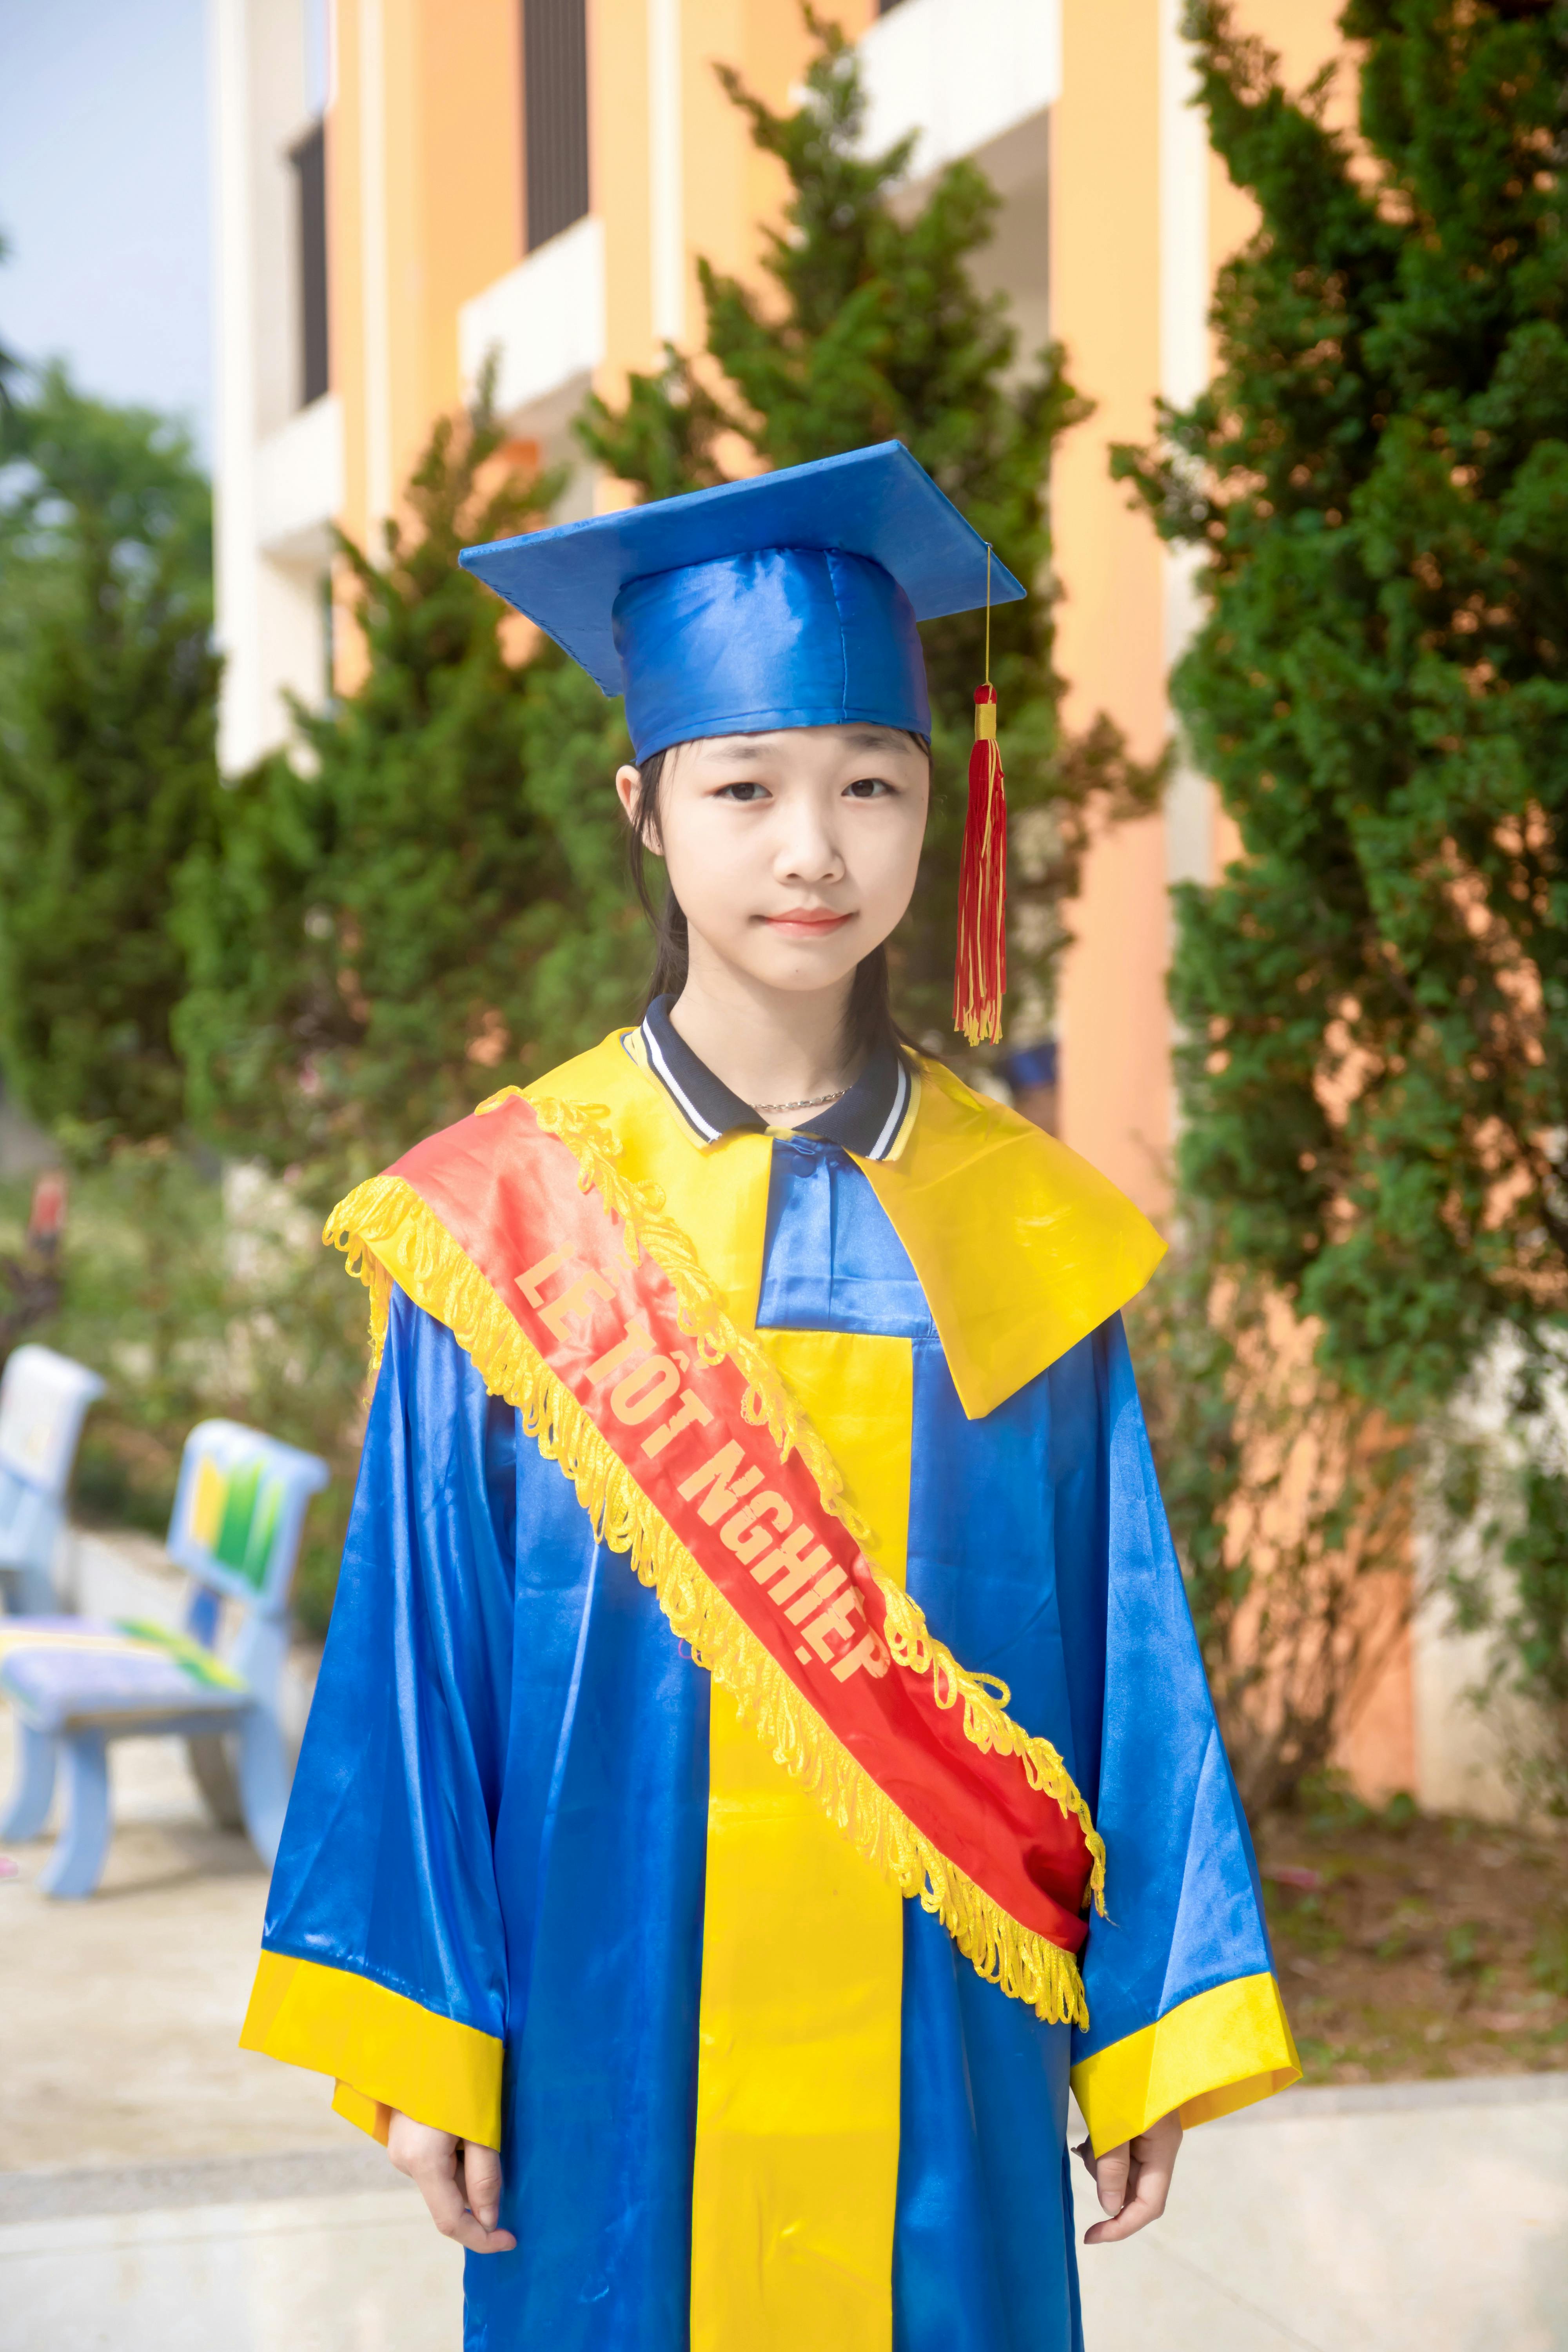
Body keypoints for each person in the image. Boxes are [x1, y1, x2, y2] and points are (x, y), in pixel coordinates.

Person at [240, 442, 1298, 2352]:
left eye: (870, 788)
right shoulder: (502, 1220)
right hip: (604, 2007)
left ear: (934, 813)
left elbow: (1126, 1648)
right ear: (646, 807)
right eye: (746, 788)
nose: (812, 851)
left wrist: (1151, 2019)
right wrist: (420, 2034)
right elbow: (419, 1655)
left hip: (942, 2042)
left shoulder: (1024, 1235)